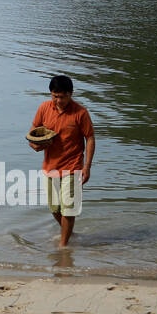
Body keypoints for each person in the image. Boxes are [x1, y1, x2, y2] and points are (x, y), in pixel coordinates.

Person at [28, 74, 95, 248]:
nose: (59, 100)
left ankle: (63, 246)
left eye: (63, 96)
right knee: (55, 209)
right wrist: (34, 145)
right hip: (50, 167)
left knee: (69, 210)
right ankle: (69, 232)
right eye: (55, 96)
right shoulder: (44, 108)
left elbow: (90, 138)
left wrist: (87, 167)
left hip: (73, 167)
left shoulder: (80, 112)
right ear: (51, 94)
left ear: (71, 94)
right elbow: (33, 132)